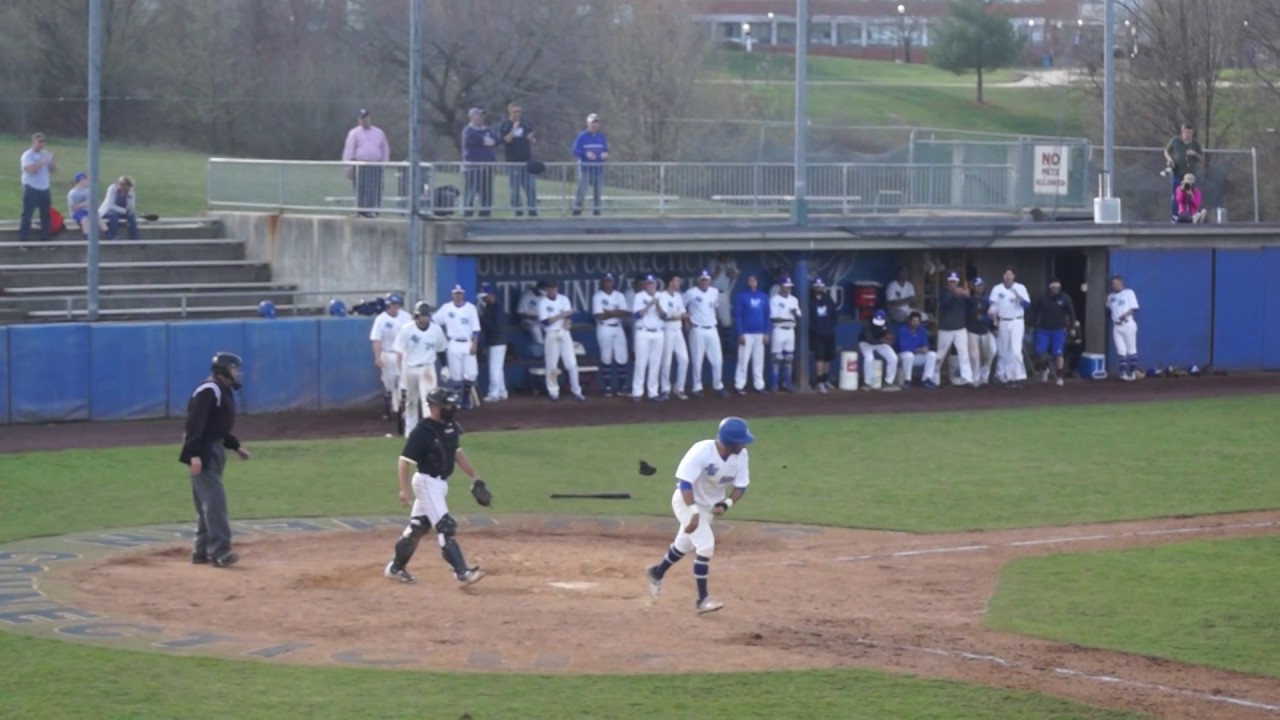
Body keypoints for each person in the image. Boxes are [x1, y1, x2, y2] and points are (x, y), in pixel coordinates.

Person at [645, 416, 754, 615]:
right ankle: (702, 599)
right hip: (687, 502)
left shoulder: (741, 455)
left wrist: (726, 503)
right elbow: (685, 482)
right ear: (730, 442)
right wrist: (693, 513)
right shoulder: (702, 451)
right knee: (705, 546)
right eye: (741, 441)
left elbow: (741, 485)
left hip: (708, 508)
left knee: (684, 545)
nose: (744, 444)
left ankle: (657, 572)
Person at [384, 386, 488, 586]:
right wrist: (404, 490)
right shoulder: (423, 432)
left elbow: (456, 452)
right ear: (434, 407)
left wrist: (474, 476)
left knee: (418, 527)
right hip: (426, 483)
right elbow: (404, 461)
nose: (451, 408)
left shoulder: (450, 428)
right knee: (445, 526)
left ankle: (396, 568)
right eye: (446, 405)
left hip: (439, 484)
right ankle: (462, 572)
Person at [179, 352, 251, 568]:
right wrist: (194, 455)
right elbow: (195, 424)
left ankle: (200, 551)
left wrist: (235, 446)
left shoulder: (222, 390)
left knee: (206, 503)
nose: (237, 372)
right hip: (204, 449)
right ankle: (220, 551)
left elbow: (217, 426)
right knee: (215, 502)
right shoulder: (210, 390)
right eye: (235, 368)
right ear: (224, 369)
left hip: (214, 447)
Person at [393, 301, 448, 437]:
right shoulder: (407, 329)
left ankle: (429, 431)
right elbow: (399, 350)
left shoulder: (436, 329)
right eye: (423, 315)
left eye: (427, 315)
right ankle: (410, 432)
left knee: (429, 401)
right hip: (410, 367)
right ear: (417, 316)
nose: (426, 318)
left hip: (427, 367)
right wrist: (398, 369)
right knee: (411, 401)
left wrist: (445, 366)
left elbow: (441, 349)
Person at [433, 285, 482, 408]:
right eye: (456, 293)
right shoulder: (446, 308)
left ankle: (466, 398)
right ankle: (457, 400)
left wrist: (475, 344)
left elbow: (476, 329)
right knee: (456, 374)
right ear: (452, 294)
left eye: (460, 293)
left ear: (463, 294)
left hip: (467, 342)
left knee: (470, 373)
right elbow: (434, 321)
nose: (458, 295)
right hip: (453, 342)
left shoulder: (470, 308)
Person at [538, 279, 585, 402]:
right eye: (550, 288)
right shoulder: (542, 302)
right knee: (552, 366)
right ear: (546, 289)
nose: (552, 290)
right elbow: (545, 322)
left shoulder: (563, 299)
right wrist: (561, 315)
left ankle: (577, 391)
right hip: (551, 334)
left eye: (554, 287)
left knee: (572, 364)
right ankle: (553, 392)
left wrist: (567, 321)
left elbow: (568, 317)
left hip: (564, 334)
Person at [370, 292, 411, 424]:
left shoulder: (407, 317)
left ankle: (403, 410)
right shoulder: (381, 319)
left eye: (397, 304)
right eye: (392, 305)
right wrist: (377, 357)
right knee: (389, 383)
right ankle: (388, 409)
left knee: (404, 382)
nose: (394, 307)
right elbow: (376, 340)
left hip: (403, 354)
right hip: (388, 353)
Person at [987, 267, 1032, 389]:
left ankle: (1018, 376)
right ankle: (1002, 377)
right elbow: (993, 307)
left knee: (1016, 350)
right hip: (1003, 321)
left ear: (1014, 276)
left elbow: (1027, 306)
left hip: (1017, 320)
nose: (1008, 276)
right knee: (1003, 350)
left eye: (1010, 274)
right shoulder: (997, 289)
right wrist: (994, 321)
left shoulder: (1020, 287)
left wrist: (1018, 297)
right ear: (1003, 276)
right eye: (1006, 274)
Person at [684, 270, 725, 398]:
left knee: (718, 360)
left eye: (706, 279)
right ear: (698, 280)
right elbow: (681, 306)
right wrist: (686, 320)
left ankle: (718, 386)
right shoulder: (691, 292)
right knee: (697, 360)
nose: (705, 282)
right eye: (702, 279)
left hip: (712, 328)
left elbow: (715, 308)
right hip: (697, 328)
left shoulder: (714, 292)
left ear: (710, 280)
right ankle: (697, 387)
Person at [342, 109, 390, 217]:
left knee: (375, 188)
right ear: (359, 120)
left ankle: (374, 210)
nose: (365, 121)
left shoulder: (379, 132)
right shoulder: (354, 133)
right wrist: (348, 167)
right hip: (360, 165)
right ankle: (361, 210)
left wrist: (385, 163)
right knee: (361, 188)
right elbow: (349, 150)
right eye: (362, 119)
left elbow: (385, 148)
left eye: (366, 118)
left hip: (375, 165)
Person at [1030, 279, 1078, 386]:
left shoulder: (1065, 298)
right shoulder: (1042, 297)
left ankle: (1059, 376)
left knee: (1058, 353)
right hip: (1043, 330)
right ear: (1049, 288)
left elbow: (1071, 312)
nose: (1055, 289)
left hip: (1059, 330)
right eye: (1053, 287)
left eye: (1057, 287)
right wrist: (1033, 324)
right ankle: (1044, 368)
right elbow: (1034, 310)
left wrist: (1072, 327)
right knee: (1040, 351)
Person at [592, 273, 630, 397]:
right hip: (604, 327)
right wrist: (616, 312)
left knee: (622, 357)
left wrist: (610, 312)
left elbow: (625, 313)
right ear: (602, 282)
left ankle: (622, 387)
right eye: (606, 281)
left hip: (618, 327)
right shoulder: (597, 296)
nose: (608, 283)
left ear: (614, 282)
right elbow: (598, 315)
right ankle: (607, 386)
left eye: (610, 281)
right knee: (606, 357)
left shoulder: (619, 296)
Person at [498, 102, 538, 217]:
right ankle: (518, 209)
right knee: (515, 188)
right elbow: (506, 140)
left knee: (530, 186)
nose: (518, 114)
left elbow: (533, 139)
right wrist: (513, 129)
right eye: (515, 112)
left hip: (526, 160)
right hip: (513, 161)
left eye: (519, 111)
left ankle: (532, 209)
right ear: (510, 112)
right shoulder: (505, 125)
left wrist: (531, 138)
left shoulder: (526, 124)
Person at [733, 275, 770, 395]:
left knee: (759, 361)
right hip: (746, 333)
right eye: (750, 280)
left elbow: (767, 316)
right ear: (747, 282)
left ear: (757, 282)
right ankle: (739, 385)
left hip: (760, 333)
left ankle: (759, 385)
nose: (752, 282)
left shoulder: (763, 296)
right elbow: (737, 316)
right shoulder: (741, 296)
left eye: (754, 279)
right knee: (743, 360)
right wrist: (740, 333)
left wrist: (767, 332)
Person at [935, 271, 974, 387]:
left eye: (955, 281)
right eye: (951, 281)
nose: (953, 283)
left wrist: (967, 296)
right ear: (947, 282)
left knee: (964, 354)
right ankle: (933, 378)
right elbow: (946, 304)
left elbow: (972, 305)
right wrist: (956, 294)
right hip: (945, 329)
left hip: (960, 328)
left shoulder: (962, 292)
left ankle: (967, 378)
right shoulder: (943, 292)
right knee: (940, 355)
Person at [631, 274, 665, 402]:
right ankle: (637, 392)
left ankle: (653, 393)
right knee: (641, 363)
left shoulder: (661, 296)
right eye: (648, 283)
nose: (651, 286)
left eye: (653, 283)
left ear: (656, 285)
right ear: (645, 285)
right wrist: (649, 304)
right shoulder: (639, 296)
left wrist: (657, 304)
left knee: (655, 364)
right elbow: (637, 315)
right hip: (643, 332)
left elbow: (664, 315)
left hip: (658, 332)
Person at [18, 132, 57, 245]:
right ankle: (24, 241)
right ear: (33, 142)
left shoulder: (44, 154)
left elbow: (54, 170)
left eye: (43, 142)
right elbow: (31, 170)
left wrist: (52, 160)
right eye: (39, 142)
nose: (41, 145)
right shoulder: (27, 155)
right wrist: (43, 161)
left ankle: (46, 240)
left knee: (46, 215)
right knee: (27, 214)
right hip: (31, 188)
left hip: (44, 189)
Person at [657, 272, 690, 401]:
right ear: (670, 282)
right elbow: (665, 316)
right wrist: (681, 316)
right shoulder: (662, 296)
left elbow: (682, 312)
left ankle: (679, 388)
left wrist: (685, 320)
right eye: (677, 280)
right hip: (667, 330)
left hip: (678, 330)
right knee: (667, 361)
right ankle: (665, 389)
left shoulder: (678, 296)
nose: (679, 283)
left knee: (684, 360)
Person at [462, 107, 499, 218]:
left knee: (486, 191)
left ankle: (485, 213)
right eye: (478, 115)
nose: (481, 117)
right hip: (473, 167)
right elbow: (477, 140)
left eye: (482, 115)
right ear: (472, 117)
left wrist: (488, 141)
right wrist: (485, 140)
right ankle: (468, 213)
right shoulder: (468, 131)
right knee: (471, 190)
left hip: (487, 167)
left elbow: (496, 140)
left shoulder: (487, 130)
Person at [571, 113, 608, 217]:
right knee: (582, 190)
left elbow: (605, 149)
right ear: (588, 124)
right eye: (592, 123)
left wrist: (605, 154)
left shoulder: (601, 137)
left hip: (598, 168)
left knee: (598, 191)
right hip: (585, 168)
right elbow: (574, 151)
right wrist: (585, 154)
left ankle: (596, 210)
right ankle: (577, 209)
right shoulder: (582, 136)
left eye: (596, 123)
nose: (595, 125)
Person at [477, 284, 509, 403]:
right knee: (498, 368)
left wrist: (482, 318)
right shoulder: (489, 308)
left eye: (486, 296)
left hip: (498, 341)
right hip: (493, 341)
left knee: (494, 368)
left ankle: (494, 393)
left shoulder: (497, 309)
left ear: (491, 295)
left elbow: (495, 327)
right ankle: (502, 391)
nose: (484, 299)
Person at [768, 276, 801, 392]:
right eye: (786, 286)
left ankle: (787, 383)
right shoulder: (774, 299)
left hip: (790, 331)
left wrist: (794, 314)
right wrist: (787, 319)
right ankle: (774, 384)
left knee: (789, 358)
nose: (788, 288)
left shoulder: (794, 299)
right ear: (781, 286)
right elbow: (773, 318)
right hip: (778, 330)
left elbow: (799, 314)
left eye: (789, 286)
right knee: (777, 358)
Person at [1164, 123, 1203, 218]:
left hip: (1190, 175)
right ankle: (1176, 215)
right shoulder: (1175, 141)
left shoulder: (1195, 144)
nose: (1188, 135)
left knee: (1192, 194)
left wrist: (1194, 154)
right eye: (1186, 132)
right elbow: (1166, 151)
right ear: (1182, 132)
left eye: (1190, 133)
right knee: (1177, 194)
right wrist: (1169, 159)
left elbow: (1201, 159)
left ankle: (1192, 214)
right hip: (1178, 173)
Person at [1106, 275, 1141, 382]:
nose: (1113, 285)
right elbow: (1109, 307)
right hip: (1117, 325)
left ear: (1121, 283)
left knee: (1131, 349)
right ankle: (1123, 373)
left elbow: (1133, 308)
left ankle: (1133, 373)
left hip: (1127, 323)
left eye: (1115, 283)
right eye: (1112, 284)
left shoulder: (1129, 293)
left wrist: (1124, 315)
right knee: (1121, 350)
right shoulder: (1111, 296)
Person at [808, 277, 838, 393]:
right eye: (816, 285)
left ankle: (825, 379)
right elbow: (808, 318)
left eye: (820, 286)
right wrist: (814, 329)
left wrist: (831, 326)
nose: (818, 287)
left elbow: (834, 314)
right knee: (819, 357)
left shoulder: (827, 298)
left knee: (828, 357)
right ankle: (819, 381)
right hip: (817, 333)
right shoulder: (809, 299)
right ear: (813, 286)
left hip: (829, 332)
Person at [859, 309, 900, 391]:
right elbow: (869, 339)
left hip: (880, 341)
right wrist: (883, 340)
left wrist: (889, 339)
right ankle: (867, 383)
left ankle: (889, 382)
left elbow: (887, 333)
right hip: (866, 342)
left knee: (893, 358)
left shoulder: (887, 322)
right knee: (869, 358)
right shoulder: (868, 322)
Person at [965, 278, 997, 387]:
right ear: (973, 287)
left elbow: (992, 318)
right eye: (978, 285)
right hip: (972, 331)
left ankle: (985, 376)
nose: (980, 287)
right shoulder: (969, 300)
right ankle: (975, 379)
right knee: (975, 356)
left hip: (985, 331)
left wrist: (983, 318)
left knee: (991, 352)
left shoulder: (987, 300)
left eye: (981, 285)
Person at [897, 312, 938, 388]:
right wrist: (918, 349)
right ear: (909, 321)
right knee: (909, 355)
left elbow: (925, 343)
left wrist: (925, 348)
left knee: (932, 355)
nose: (915, 323)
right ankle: (907, 380)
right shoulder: (903, 330)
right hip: (903, 355)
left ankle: (926, 379)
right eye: (914, 321)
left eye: (917, 321)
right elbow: (903, 347)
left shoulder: (922, 330)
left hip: (917, 356)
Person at [98, 175, 139, 241]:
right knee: (114, 215)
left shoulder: (130, 192)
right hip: (109, 211)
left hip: (123, 212)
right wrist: (124, 211)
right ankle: (113, 237)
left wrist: (129, 196)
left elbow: (131, 208)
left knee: (132, 216)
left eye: (124, 185)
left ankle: (135, 238)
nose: (121, 187)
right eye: (120, 184)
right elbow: (110, 205)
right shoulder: (112, 188)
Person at [711, 253, 739, 329]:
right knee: (711, 318)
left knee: (726, 322)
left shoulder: (731, 262)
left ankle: (727, 340)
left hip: (724, 293)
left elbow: (734, 275)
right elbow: (712, 276)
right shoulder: (713, 261)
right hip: (712, 292)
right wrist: (719, 268)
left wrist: (728, 268)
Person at [66, 172, 96, 236]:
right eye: (85, 180)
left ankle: (109, 235)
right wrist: (84, 204)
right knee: (84, 219)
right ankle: (87, 237)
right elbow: (72, 207)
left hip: (87, 211)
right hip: (76, 212)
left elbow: (92, 203)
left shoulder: (87, 191)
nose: (87, 182)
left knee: (97, 217)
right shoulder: (72, 193)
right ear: (80, 181)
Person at [518, 280, 546, 347]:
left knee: (552, 327)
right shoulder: (527, 296)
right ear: (537, 288)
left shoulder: (544, 296)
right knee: (535, 328)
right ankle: (542, 346)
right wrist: (534, 317)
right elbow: (519, 314)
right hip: (527, 321)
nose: (542, 294)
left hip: (540, 320)